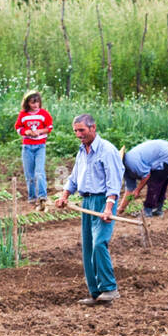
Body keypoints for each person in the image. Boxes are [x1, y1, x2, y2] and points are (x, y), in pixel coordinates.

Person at [53, 114, 122, 306]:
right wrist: (64, 195)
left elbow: (114, 182)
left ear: (93, 128)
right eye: (75, 131)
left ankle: (110, 288)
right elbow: (74, 178)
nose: (78, 134)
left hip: (103, 202)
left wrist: (109, 208)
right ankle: (96, 293)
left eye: (81, 130)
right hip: (87, 203)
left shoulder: (107, 150)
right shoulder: (82, 151)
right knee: (88, 247)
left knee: (100, 243)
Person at [13, 89, 54, 212]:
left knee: (39, 172)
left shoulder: (44, 114)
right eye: (32, 103)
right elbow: (18, 127)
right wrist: (27, 132)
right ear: (27, 104)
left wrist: (40, 132)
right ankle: (32, 197)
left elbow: (49, 127)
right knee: (29, 174)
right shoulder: (23, 115)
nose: (35, 105)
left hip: (40, 146)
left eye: (37, 102)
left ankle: (42, 196)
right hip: (27, 147)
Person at [118, 139, 168, 218]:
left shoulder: (132, 163)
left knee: (155, 182)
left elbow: (146, 175)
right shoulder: (126, 170)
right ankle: (158, 210)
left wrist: (138, 190)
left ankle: (148, 210)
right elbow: (130, 190)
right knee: (160, 180)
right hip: (163, 154)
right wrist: (121, 208)